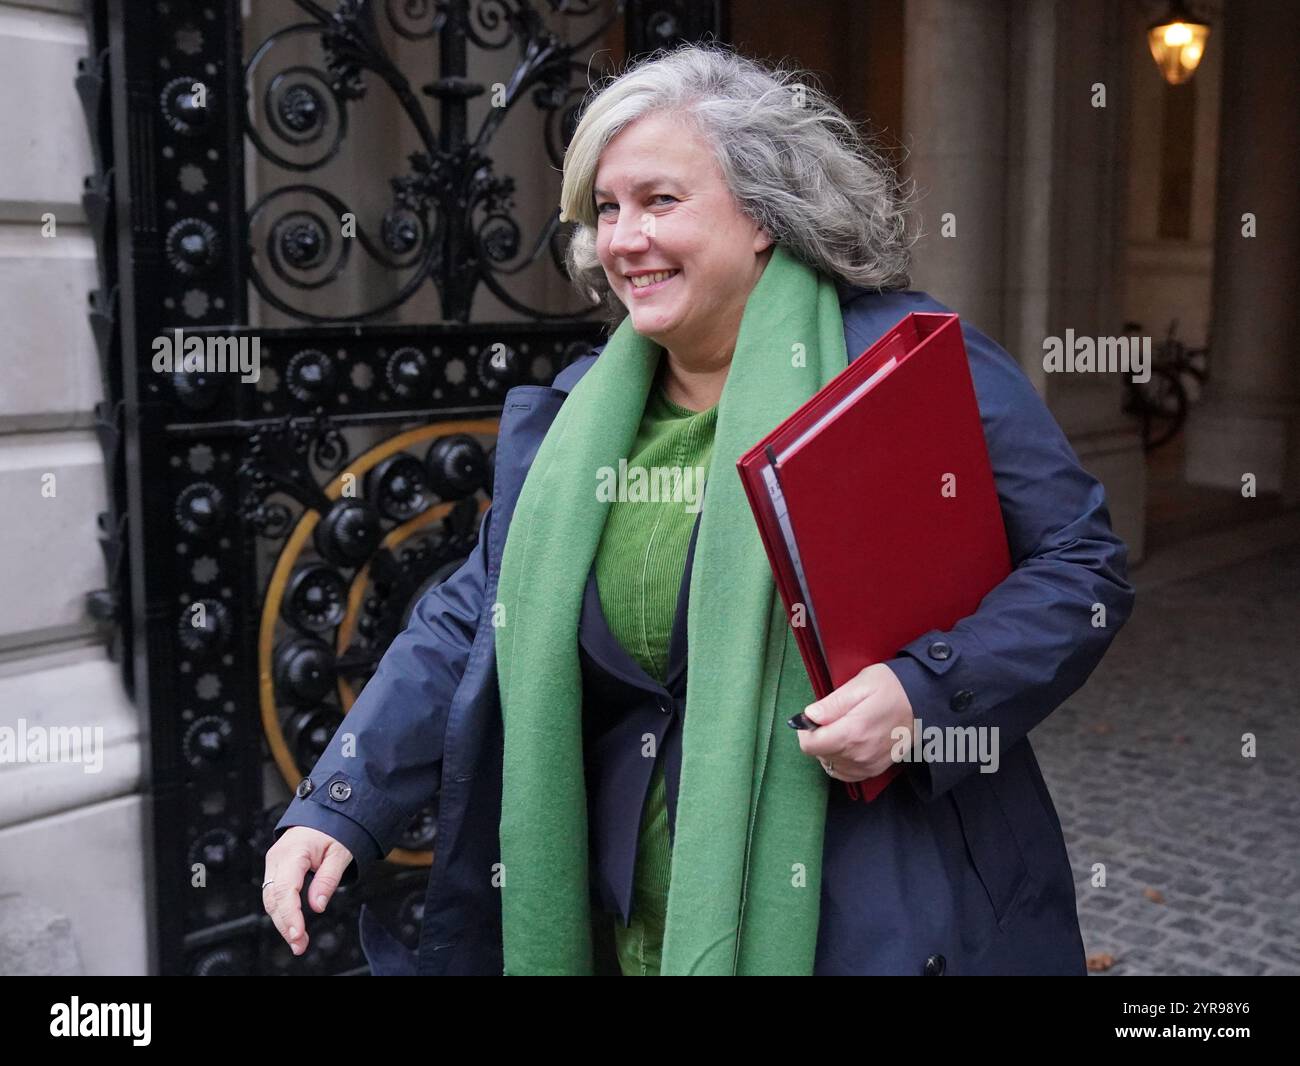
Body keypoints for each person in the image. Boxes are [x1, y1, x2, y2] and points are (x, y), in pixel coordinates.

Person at [262, 41, 1135, 976]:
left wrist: (925, 693)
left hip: (880, 922)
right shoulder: (580, 418)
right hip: (637, 923)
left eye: (659, 201)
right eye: (605, 209)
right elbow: (476, 610)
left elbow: (1083, 567)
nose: (621, 238)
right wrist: (340, 800)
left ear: (763, 215)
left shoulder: (910, 365)